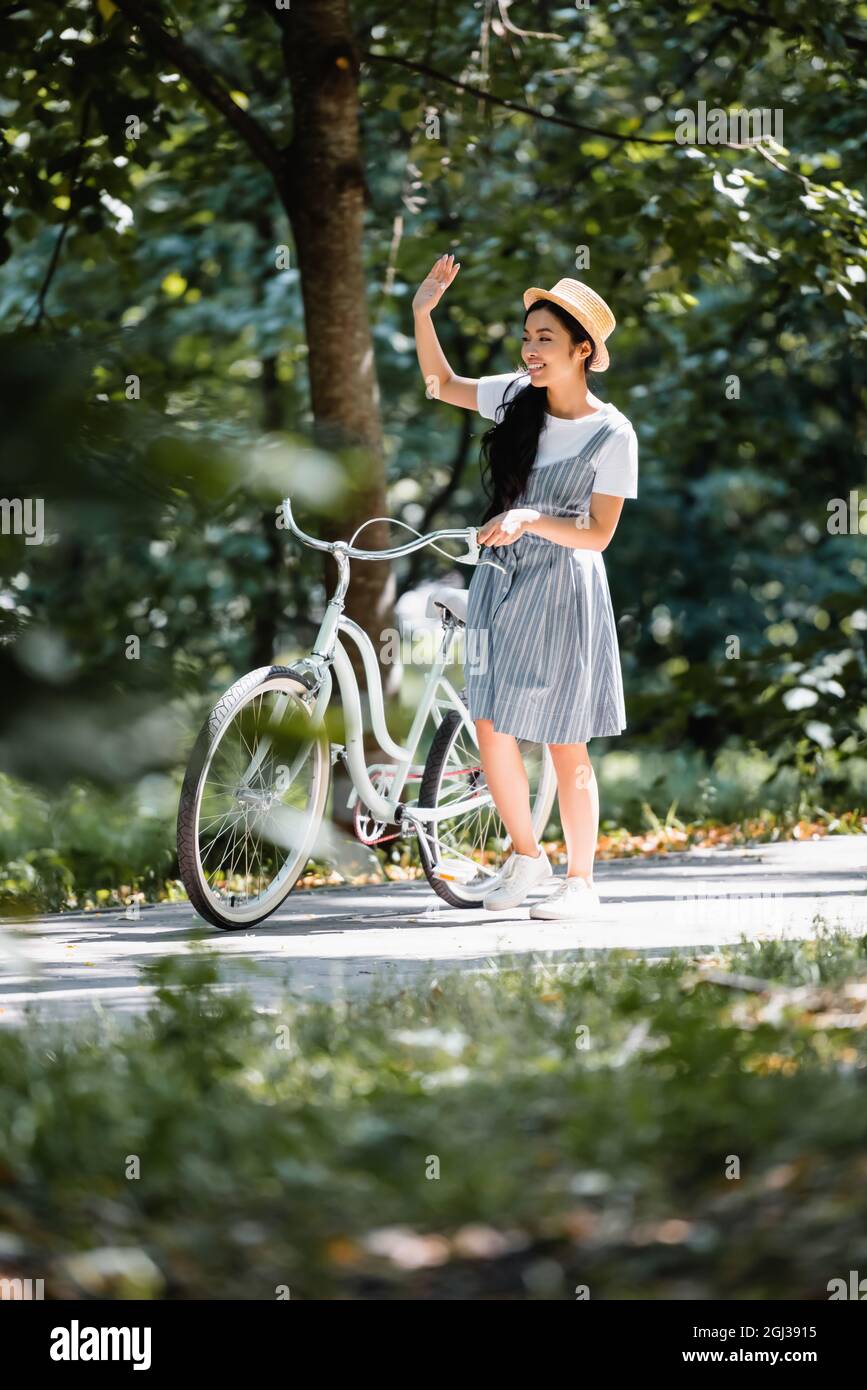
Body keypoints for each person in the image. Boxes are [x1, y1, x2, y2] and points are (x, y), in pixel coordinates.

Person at [412, 255, 638, 919]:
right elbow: (439, 383)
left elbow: (597, 534)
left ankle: (580, 882)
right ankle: (524, 857)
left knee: (564, 736)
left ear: (582, 350)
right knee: (488, 721)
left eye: (544, 339)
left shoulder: (611, 432)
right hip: (499, 583)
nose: (530, 350)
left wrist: (530, 518)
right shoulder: (517, 398)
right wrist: (423, 312)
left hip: (563, 590)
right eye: (526, 338)